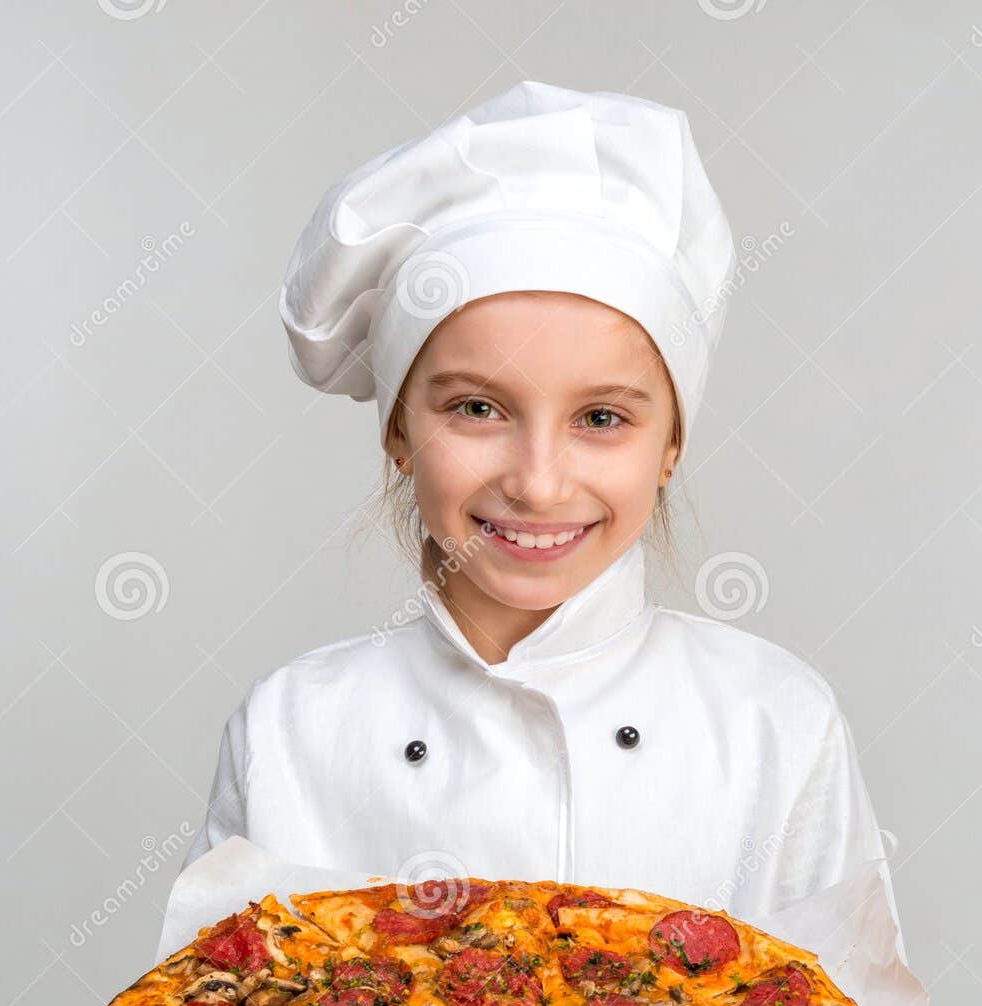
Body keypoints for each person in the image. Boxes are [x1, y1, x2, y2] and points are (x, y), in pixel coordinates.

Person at [183, 79, 901, 939]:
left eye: (602, 419)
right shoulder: (294, 729)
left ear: (670, 446)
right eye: (477, 409)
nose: (539, 482)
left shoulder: (774, 723)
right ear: (399, 433)